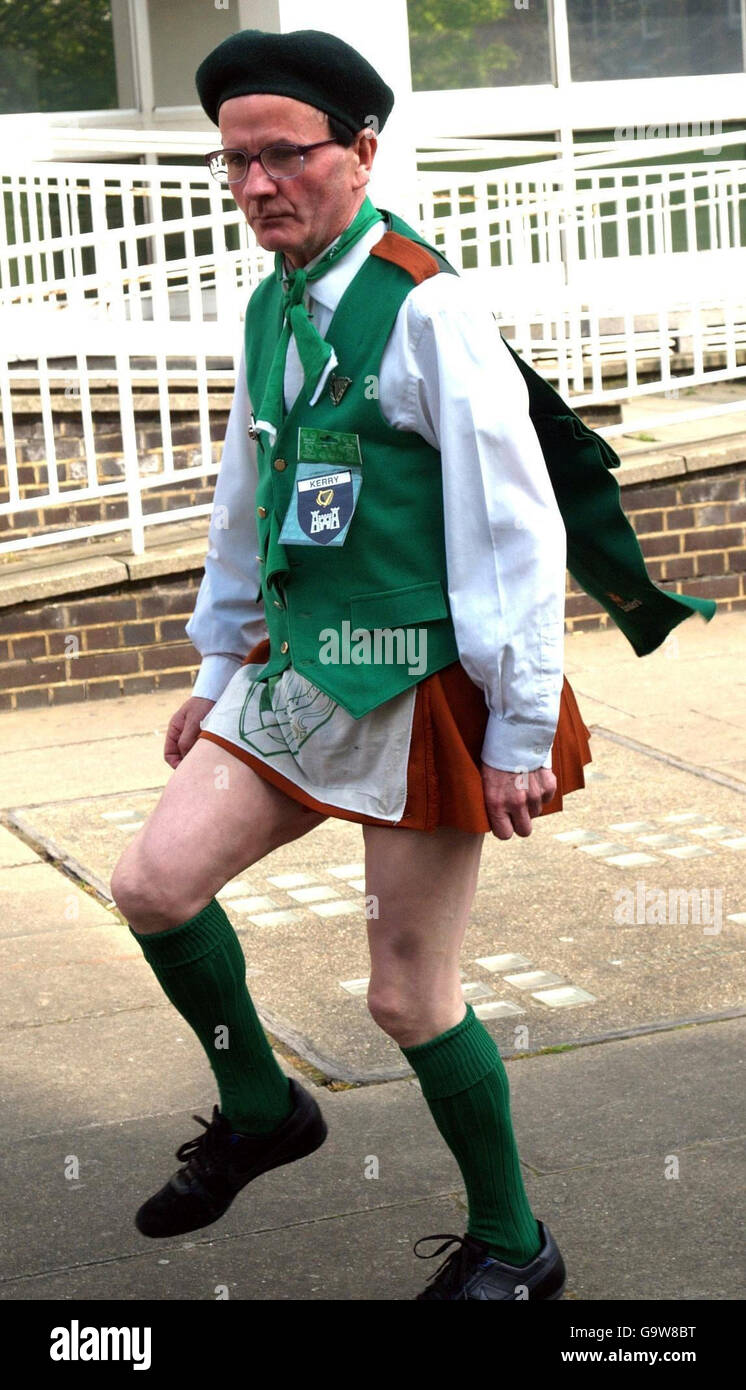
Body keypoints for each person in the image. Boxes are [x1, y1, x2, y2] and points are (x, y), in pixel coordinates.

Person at [109, 27, 594, 1301]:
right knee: (155, 884)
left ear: (361, 150)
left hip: (424, 684)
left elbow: (511, 527)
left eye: (284, 156)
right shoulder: (270, 304)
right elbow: (246, 494)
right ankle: (262, 1105)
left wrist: (517, 728)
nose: (257, 185)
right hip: (302, 668)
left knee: (402, 995)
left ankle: (512, 1243)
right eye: (235, 163)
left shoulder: (427, 306)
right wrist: (217, 670)